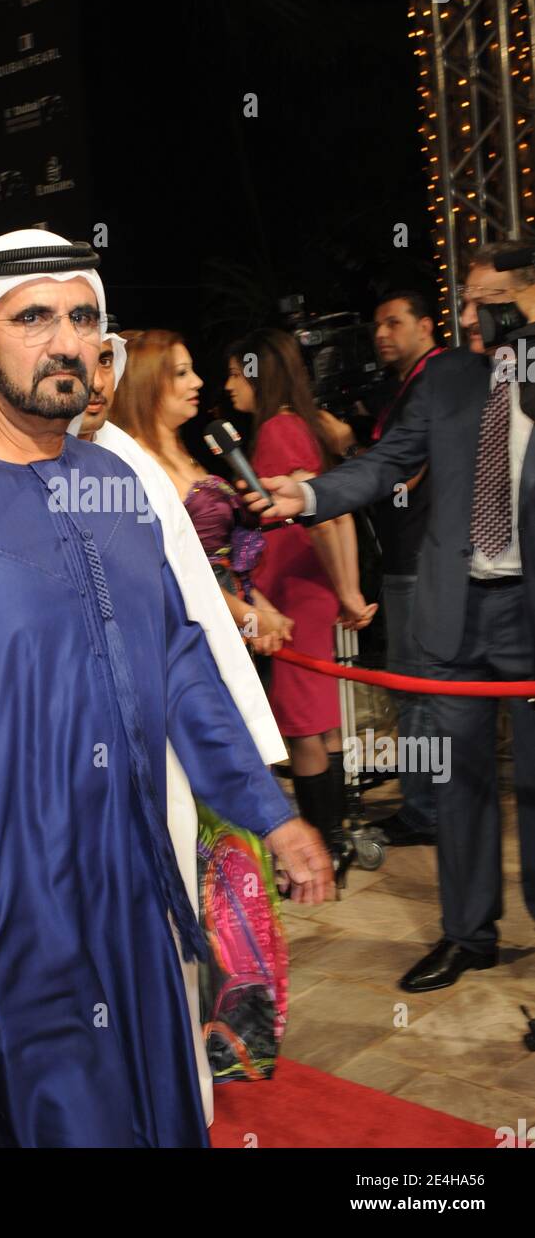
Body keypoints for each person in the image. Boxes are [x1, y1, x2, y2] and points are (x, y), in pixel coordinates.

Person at [0, 229, 331, 1150]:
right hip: (0, 924)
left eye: (82, 317)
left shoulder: (117, 485)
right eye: (33, 318)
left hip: (137, 901)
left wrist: (270, 811)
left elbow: (180, 663)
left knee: (163, 1119)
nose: (65, 339)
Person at [246, 239, 535, 992]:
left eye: (483, 299)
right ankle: (467, 935)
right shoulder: (446, 380)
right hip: (454, 610)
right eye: (462, 299)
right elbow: (385, 463)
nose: (466, 315)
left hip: (528, 616)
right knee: (459, 781)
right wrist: (305, 495)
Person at [78, 319, 296, 1112]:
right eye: (176, 373)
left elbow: (203, 583)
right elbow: (172, 597)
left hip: (212, 685)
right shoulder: (111, 470)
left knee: (230, 870)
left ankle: (226, 1038)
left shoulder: (188, 459)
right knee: (188, 876)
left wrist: (251, 590)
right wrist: (242, 610)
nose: (196, 382)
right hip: (160, 706)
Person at [224, 329, 375, 886]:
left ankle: (325, 848)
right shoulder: (294, 425)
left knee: (303, 727)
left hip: (293, 593)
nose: (226, 385)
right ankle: (333, 843)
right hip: (302, 589)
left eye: (235, 374)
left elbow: (330, 515)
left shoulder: (280, 430)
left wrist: (348, 591)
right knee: (319, 724)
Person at [321, 293, 443, 846]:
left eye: (394, 323)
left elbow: (404, 473)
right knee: (418, 692)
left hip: (421, 561)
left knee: (419, 692)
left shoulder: (432, 382)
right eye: (376, 325)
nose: (381, 333)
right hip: (410, 560)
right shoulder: (407, 387)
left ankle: (426, 811)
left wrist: (348, 452)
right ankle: (429, 804)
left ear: (425, 326)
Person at [109, 329, 293, 655]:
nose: (198, 382)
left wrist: (259, 610)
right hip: (185, 635)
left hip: (228, 625)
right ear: (147, 383)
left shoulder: (185, 453)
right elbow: (172, 569)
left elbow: (220, 556)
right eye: (182, 373)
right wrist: (249, 616)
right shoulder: (132, 464)